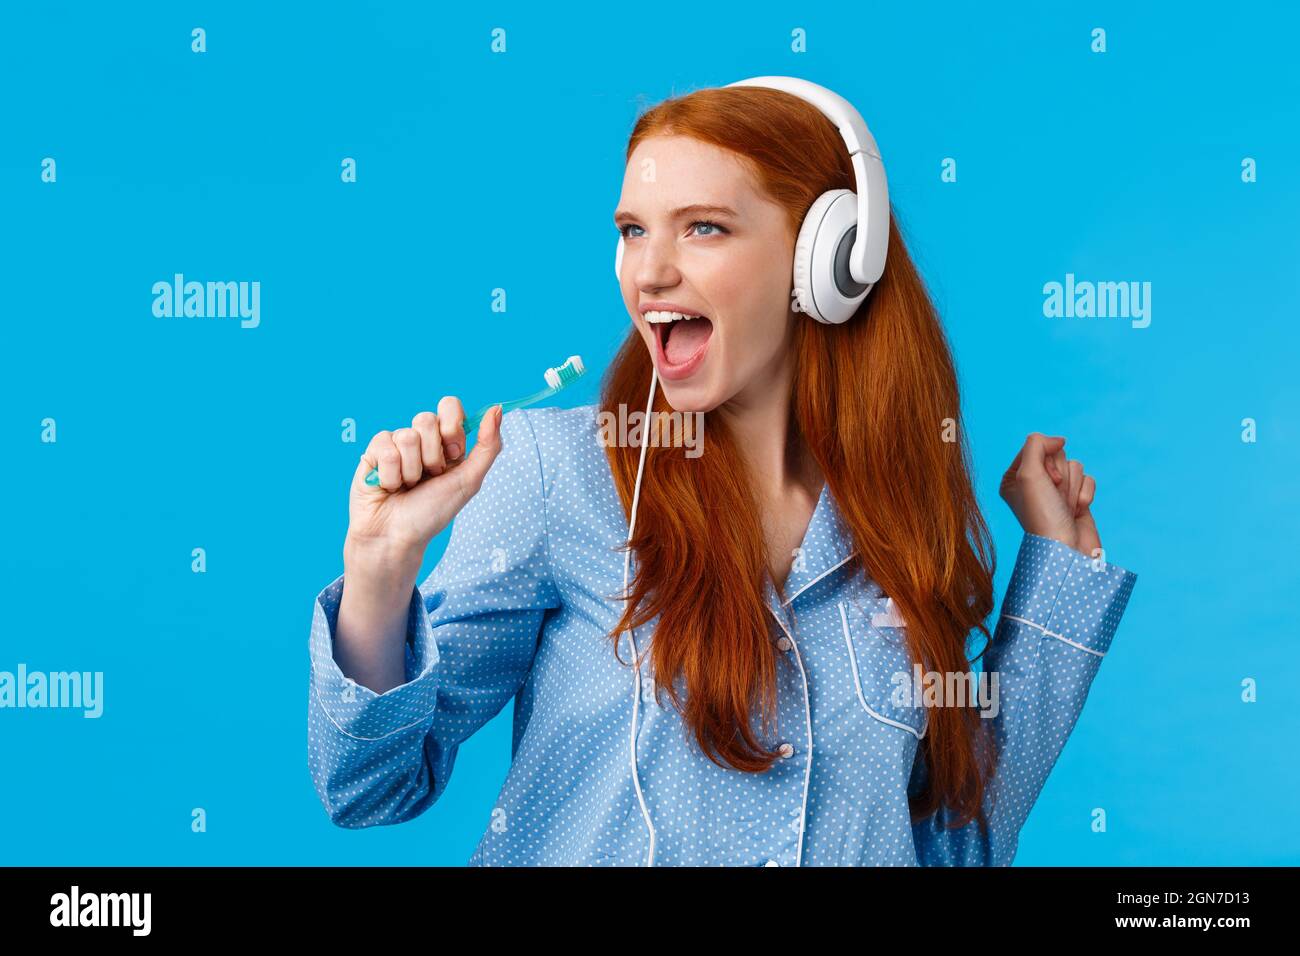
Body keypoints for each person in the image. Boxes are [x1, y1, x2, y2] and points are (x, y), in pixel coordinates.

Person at [307, 78, 1138, 866]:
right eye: (633, 230)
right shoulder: (560, 473)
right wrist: (379, 575)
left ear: (830, 259)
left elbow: (953, 846)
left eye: (703, 227)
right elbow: (371, 786)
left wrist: (1059, 576)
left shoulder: (895, 528)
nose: (651, 271)